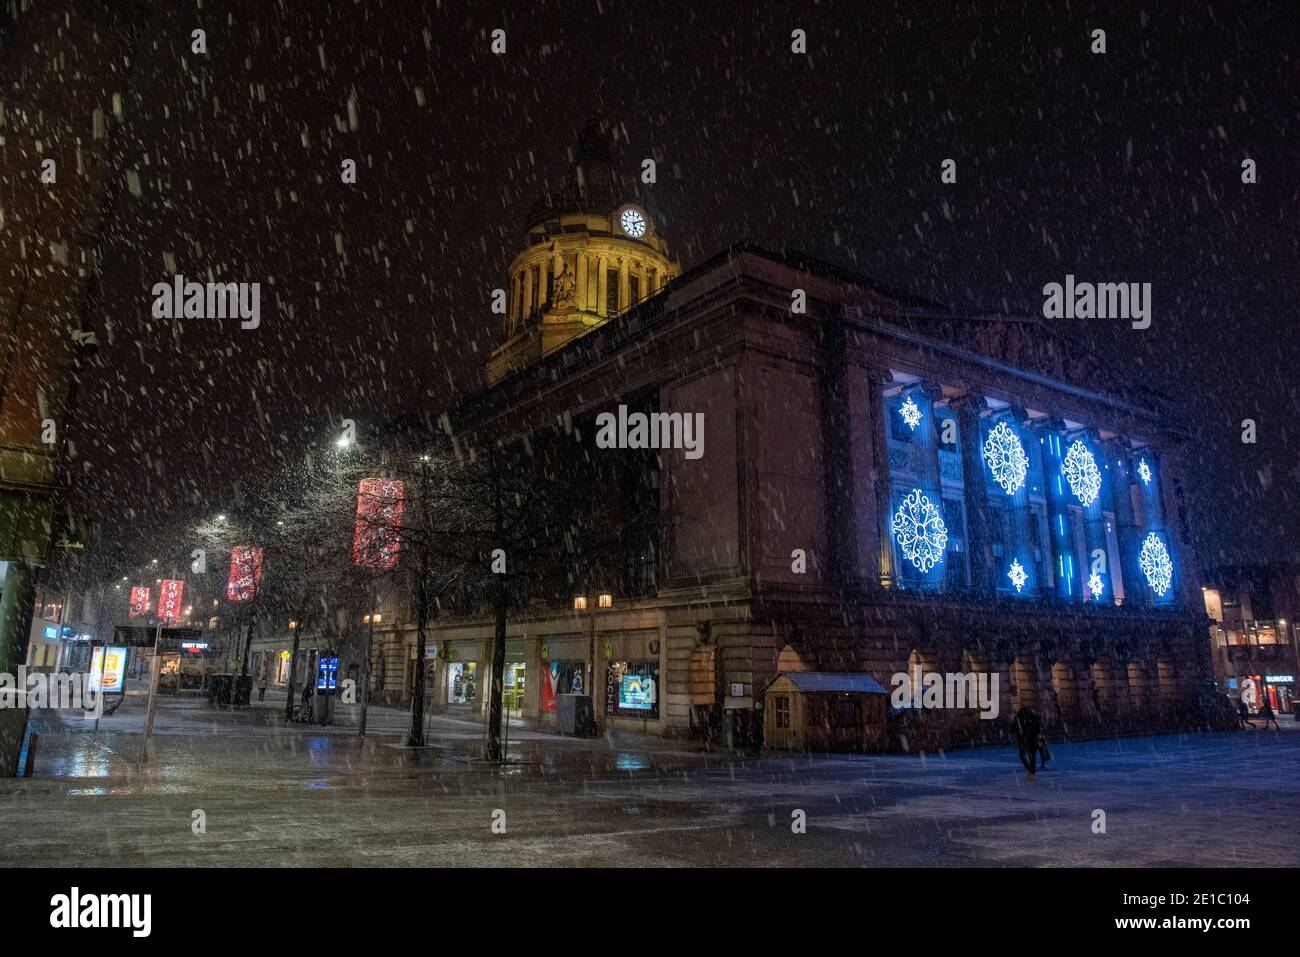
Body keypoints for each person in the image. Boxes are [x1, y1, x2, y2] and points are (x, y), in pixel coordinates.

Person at [1014, 706, 1043, 775]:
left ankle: (1030, 768)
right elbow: (1039, 728)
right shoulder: (1032, 718)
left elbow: (1017, 729)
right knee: (1031, 754)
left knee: (1027, 754)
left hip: (1027, 738)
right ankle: (1031, 769)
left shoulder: (1023, 718)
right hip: (1028, 738)